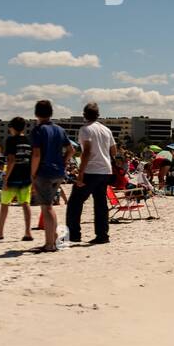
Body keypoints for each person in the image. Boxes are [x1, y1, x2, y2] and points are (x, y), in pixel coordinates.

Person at [66, 101, 116, 245]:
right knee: (100, 203)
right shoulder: (106, 130)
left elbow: (86, 152)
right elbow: (114, 151)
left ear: (84, 115)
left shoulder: (85, 129)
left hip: (91, 170)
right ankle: (102, 235)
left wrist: (80, 173)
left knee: (75, 202)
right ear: (98, 115)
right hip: (105, 170)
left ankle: (74, 234)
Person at [29, 99, 73, 252]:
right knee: (49, 206)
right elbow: (71, 150)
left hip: (44, 172)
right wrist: (63, 162)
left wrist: (32, 173)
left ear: (36, 113)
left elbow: (36, 154)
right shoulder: (60, 130)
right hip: (58, 172)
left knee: (46, 207)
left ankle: (50, 244)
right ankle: (53, 238)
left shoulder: (38, 130)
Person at [0, 118, 33, 241]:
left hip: (14, 176)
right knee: (25, 204)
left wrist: (6, 179)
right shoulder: (29, 141)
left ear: (12, 128)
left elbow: (11, 160)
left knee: (5, 204)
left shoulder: (11, 140)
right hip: (26, 176)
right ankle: (28, 232)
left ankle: (0, 232)